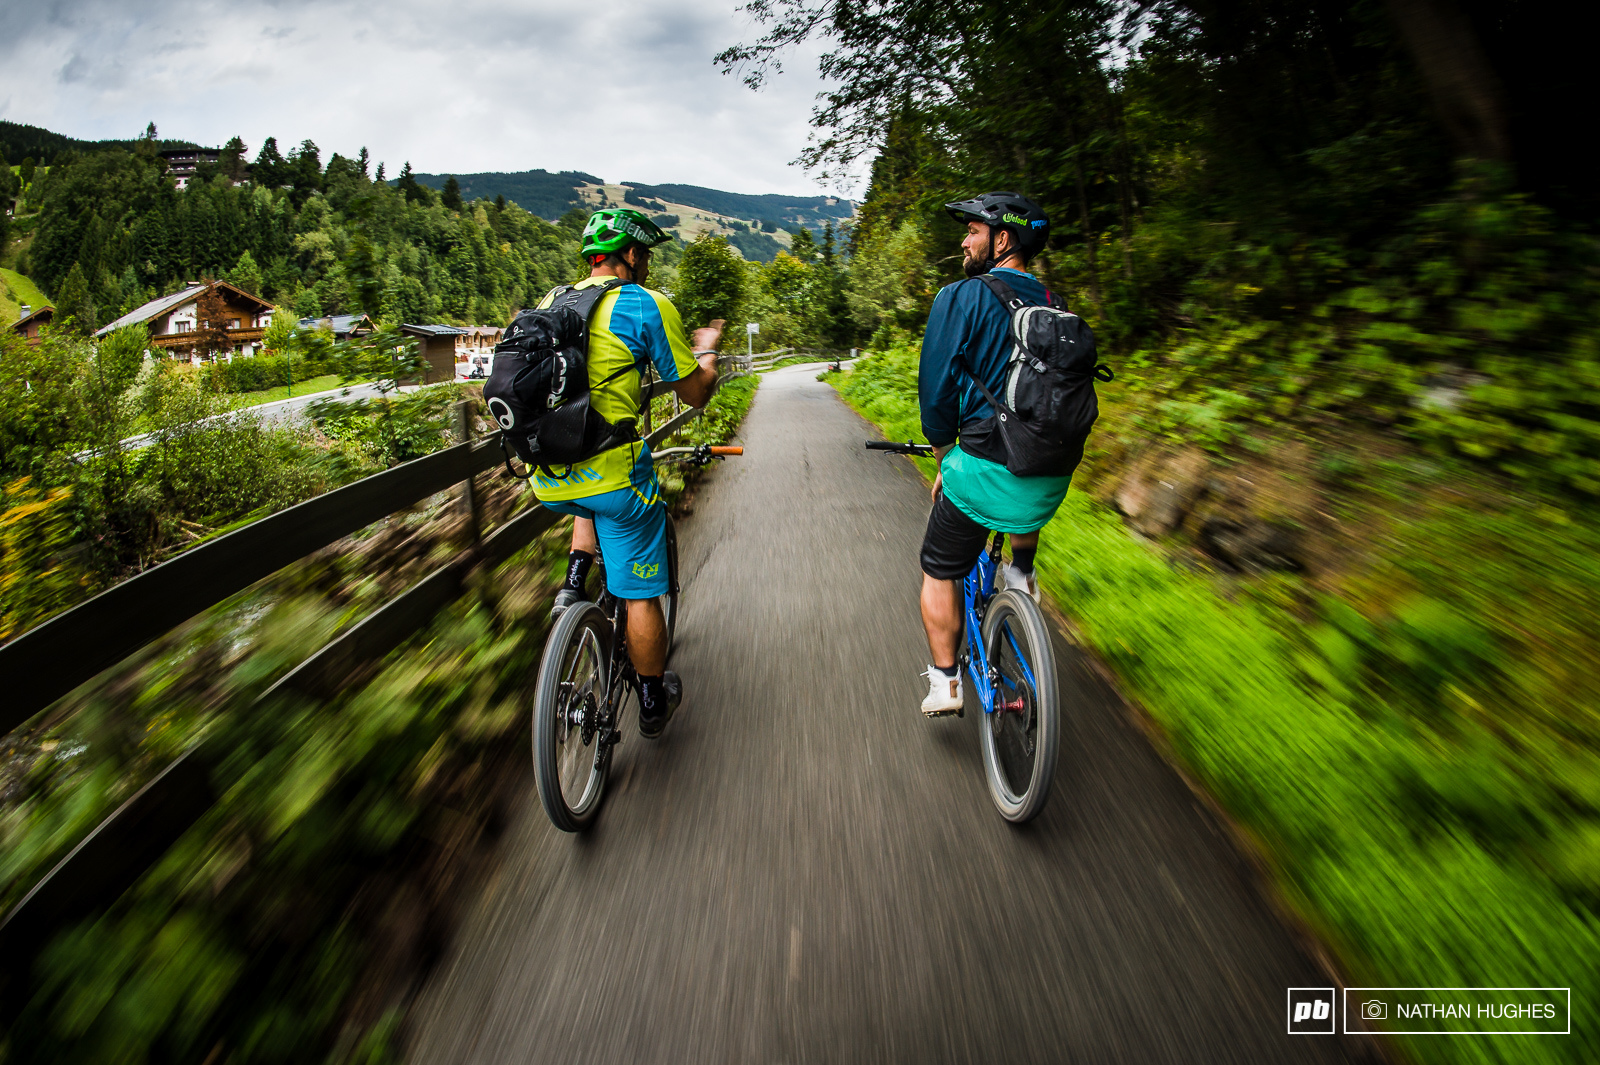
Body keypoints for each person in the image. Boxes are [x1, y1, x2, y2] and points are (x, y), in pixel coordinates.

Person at [537, 208, 724, 737]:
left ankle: (573, 587)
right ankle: (650, 698)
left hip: (547, 475)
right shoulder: (645, 304)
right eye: (646, 258)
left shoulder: (552, 302)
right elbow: (692, 392)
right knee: (640, 592)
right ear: (633, 256)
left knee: (585, 497)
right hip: (615, 479)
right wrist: (706, 354)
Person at [915, 191, 1063, 716]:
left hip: (984, 472)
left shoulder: (962, 296)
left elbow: (935, 388)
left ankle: (946, 681)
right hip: (1049, 482)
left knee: (938, 566)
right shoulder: (1053, 303)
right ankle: (1022, 570)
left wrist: (944, 457)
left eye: (973, 230)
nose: (964, 239)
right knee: (1026, 457)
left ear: (1002, 239)